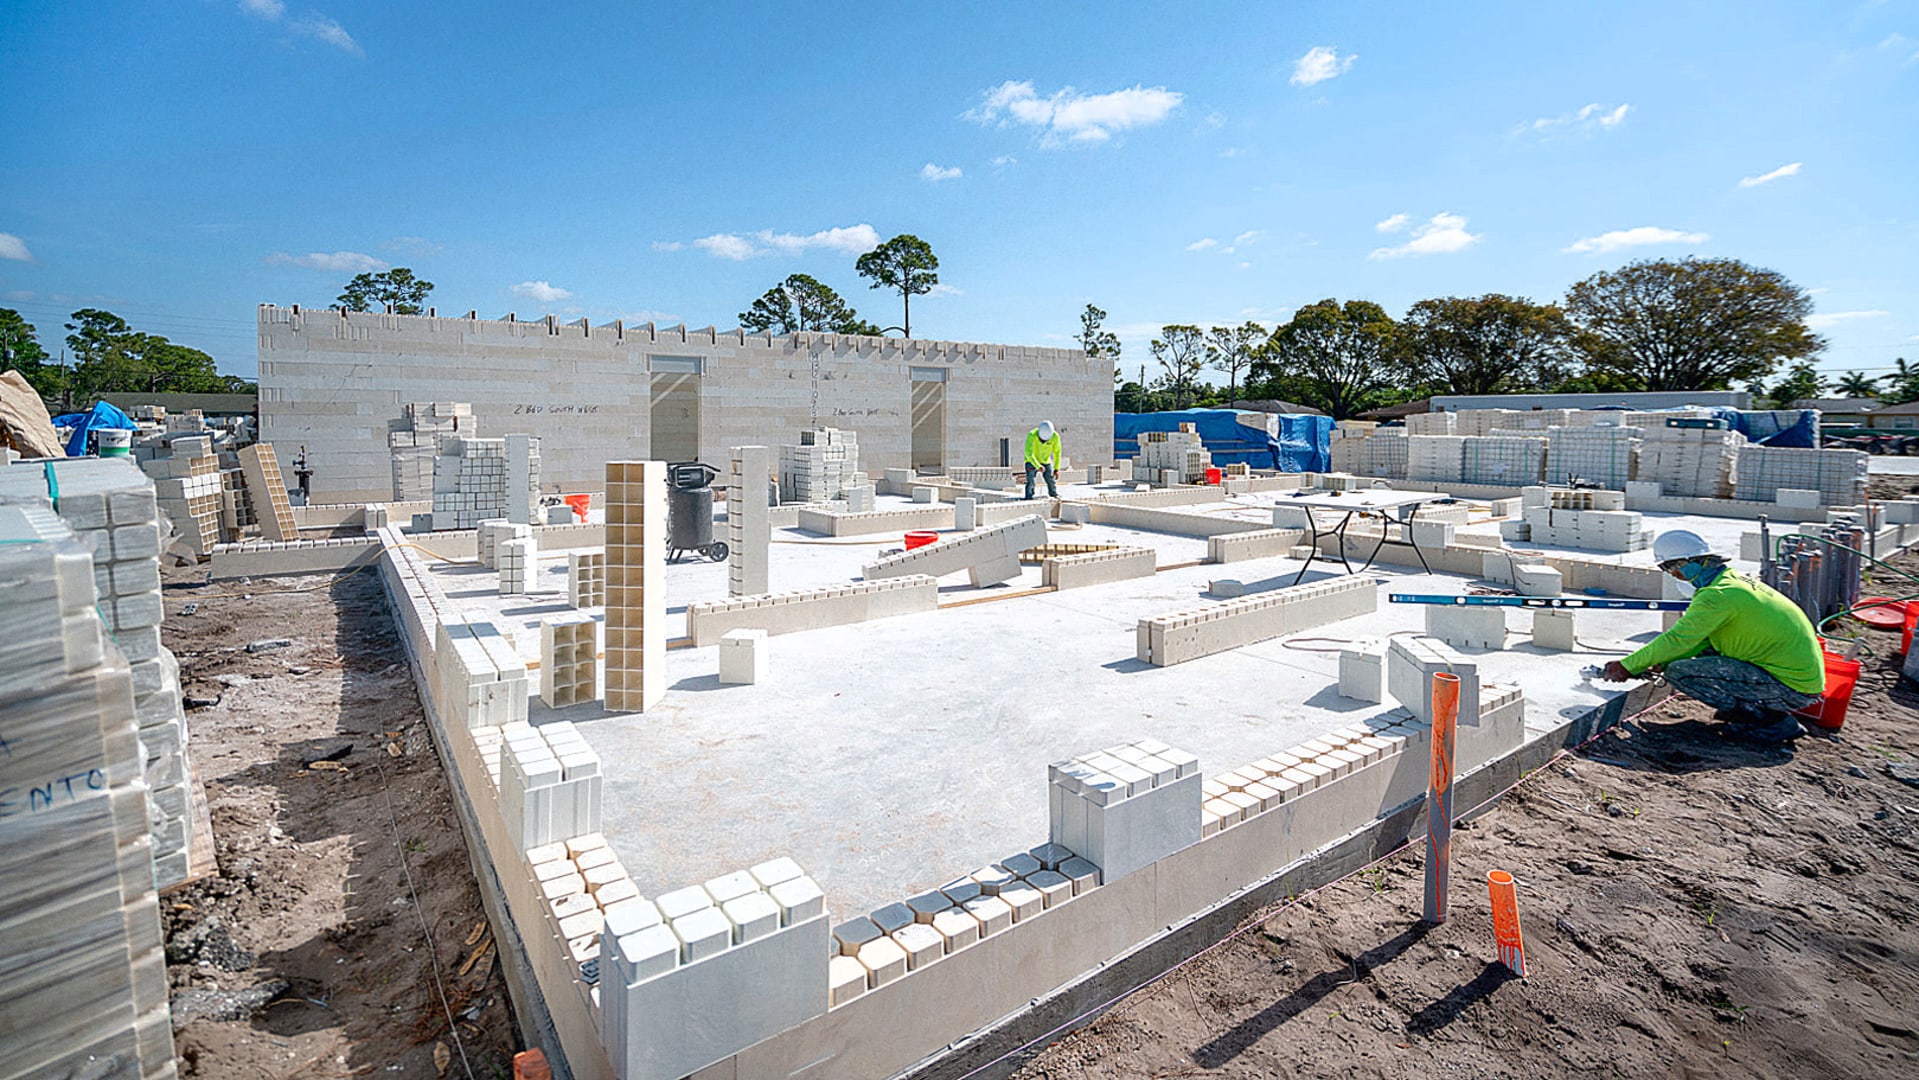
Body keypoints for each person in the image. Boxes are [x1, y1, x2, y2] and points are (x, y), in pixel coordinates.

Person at [1600, 529, 1825, 744]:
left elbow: (1678, 639)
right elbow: (1703, 641)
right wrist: (1660, 660)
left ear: (1693, 561)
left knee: (1681, 672)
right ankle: (1749, 708)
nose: (1673, 575)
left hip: (1791, 688)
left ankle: (1772, 722)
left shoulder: (1716, 596)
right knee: (1693, 656)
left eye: (1673, 568)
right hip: (1796, 679)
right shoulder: (1732, 581)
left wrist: (1628, 666)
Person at [1025, 420, 1061, 500]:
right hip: (1031, 461)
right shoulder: (1031, 435)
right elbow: (1028, 453)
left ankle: (1054, 494)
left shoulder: (1055, 437)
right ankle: (1029, 497)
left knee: (1050, 479)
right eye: (1042, 440)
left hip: (1045, 461)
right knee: (1031, 481)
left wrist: (1056, 468)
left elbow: (1057, 453)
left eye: (1046, 441)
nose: (1044, 442)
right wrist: (1037, 466)